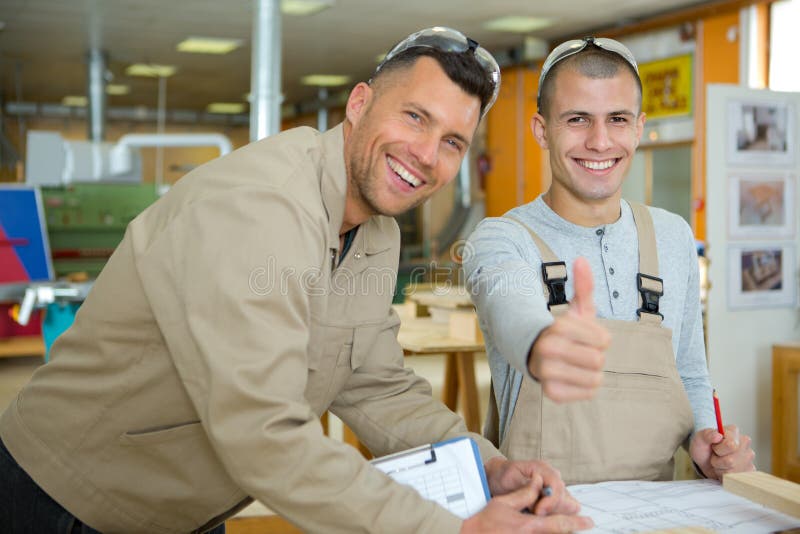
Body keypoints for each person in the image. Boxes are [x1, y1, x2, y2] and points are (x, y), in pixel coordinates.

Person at [0, 27, 593, 533]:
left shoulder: (375, 231)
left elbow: (376, 385)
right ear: (359, 104)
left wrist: (485, 467)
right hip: (66, 500)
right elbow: (265, 438)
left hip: (183, 507)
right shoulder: (260, 207)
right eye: (415, 117)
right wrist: (447, 527)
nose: (426, 154)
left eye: (452, 142)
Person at [464, 37, 756, 485]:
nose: (599, 142)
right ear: (542, 130)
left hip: (660, 515)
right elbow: (512, 314)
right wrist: (547, 344)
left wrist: (706, 444)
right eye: (577, 119)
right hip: (539, 514)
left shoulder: (673, 235)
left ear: (638, 128)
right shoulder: (502, 239)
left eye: (616, 119)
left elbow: (690, 371)